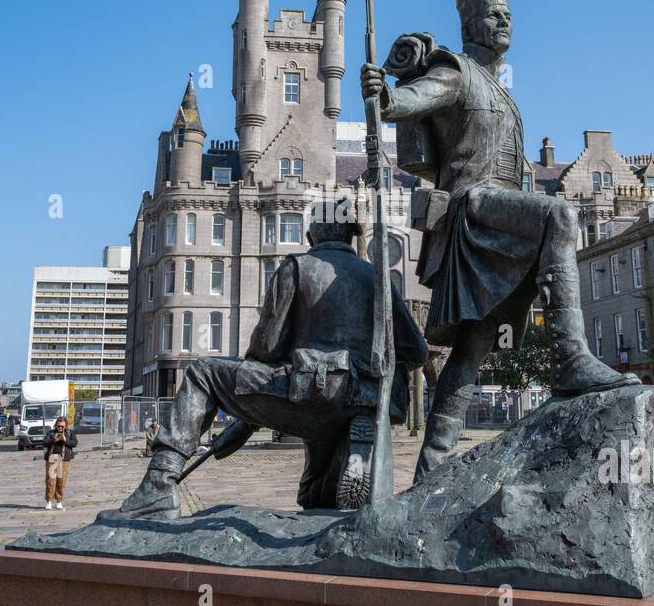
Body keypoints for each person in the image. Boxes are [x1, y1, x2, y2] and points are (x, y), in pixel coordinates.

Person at [361, 0, 637, 480]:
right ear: (470, 23)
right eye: (493, 14)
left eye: (508, 13)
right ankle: (570, 358)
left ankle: (427, 476)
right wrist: (386, 98)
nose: (504, 21)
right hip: (473, 210)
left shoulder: (502, 91)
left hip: (496, 221)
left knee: (470, 352)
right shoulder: (456, 72)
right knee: (559, 216)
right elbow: (412, 100)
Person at [117, 212, 429, 521]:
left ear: (311, 237)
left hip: (309, 396)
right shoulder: (378, 279)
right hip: (362, 401)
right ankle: (350, 449)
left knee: (203, 373)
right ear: (351, 237)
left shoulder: (296, 267)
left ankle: (159, 483)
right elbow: (416, 351)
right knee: (315, 496)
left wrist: (248, 408)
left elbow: (267, 347)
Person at [42, 416, 77, 510]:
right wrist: (53, 439)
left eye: (62, 426)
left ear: (66, 426)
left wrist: (66, 440)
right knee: (50, 480)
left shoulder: (70, 433)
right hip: (52, 458)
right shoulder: (51, 433)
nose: (60, 428)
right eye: (59, 426)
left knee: (61, 480)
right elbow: (44, 443)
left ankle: (59, 500)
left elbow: (74, 443)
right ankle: (49, 501)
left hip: (64, 459)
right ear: (56, 425)